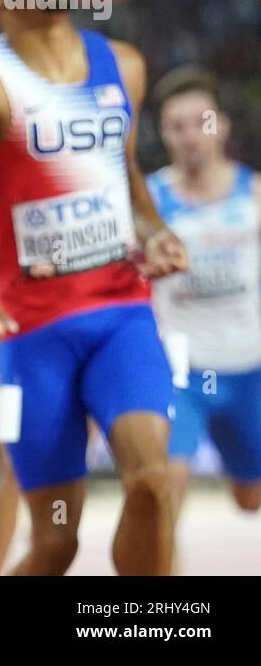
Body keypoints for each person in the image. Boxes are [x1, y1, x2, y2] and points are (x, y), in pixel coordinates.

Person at [0, 0, 188, 575]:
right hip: (33, 332)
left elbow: (126, 177)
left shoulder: (124, 64)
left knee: (152, 483)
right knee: (56, 541)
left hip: (123, 315)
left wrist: (155, 232)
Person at [146, 66, 261, 560]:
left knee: (249, 497)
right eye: (178, 126)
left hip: (249, 368)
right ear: (164, 134)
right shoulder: (148, 201)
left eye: (202, 122)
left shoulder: (253, 194)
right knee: (165, 487)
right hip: (182, 371)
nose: (191, 136)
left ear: (222, 127)